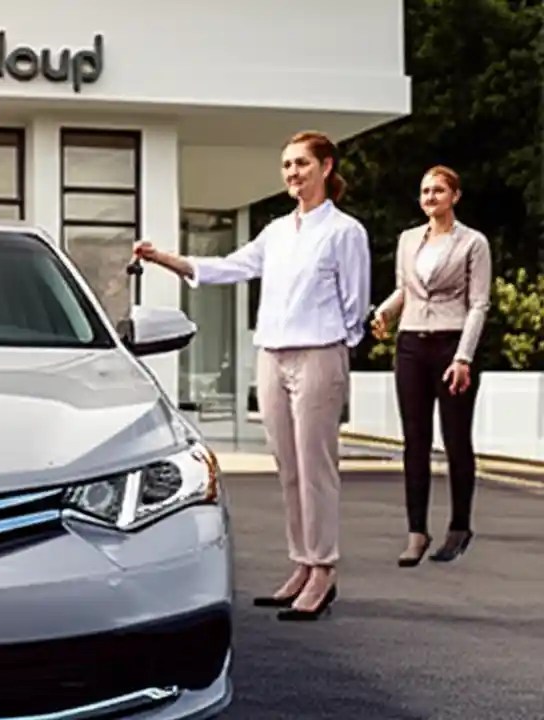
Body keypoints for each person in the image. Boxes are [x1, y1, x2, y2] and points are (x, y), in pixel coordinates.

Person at [132, 130, 371, 621]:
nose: (292, 172)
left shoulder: (344, 231)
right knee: (288, 467)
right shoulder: (277, 231)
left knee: (316, 467)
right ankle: (302, 563)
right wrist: (163, 259)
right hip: (272, 355)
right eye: (287, 165)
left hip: (318, 354)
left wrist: (339, 346)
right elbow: (229, 268)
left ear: (326, 167)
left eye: (301, 163)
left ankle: (323, 569)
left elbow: (355, 302)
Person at [371, 165, 491, 567]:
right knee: (414, 441)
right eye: (425, 191)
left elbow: (479, 304)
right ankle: (416, 532)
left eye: (438, 190)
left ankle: (459, 526)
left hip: (451, 345)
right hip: (410, 344)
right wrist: (384, 313)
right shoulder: (408, 240)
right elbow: (404, 289)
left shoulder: (473, 242)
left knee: (456, 440)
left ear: (455, 196)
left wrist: (463, 357)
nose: (430, 197)